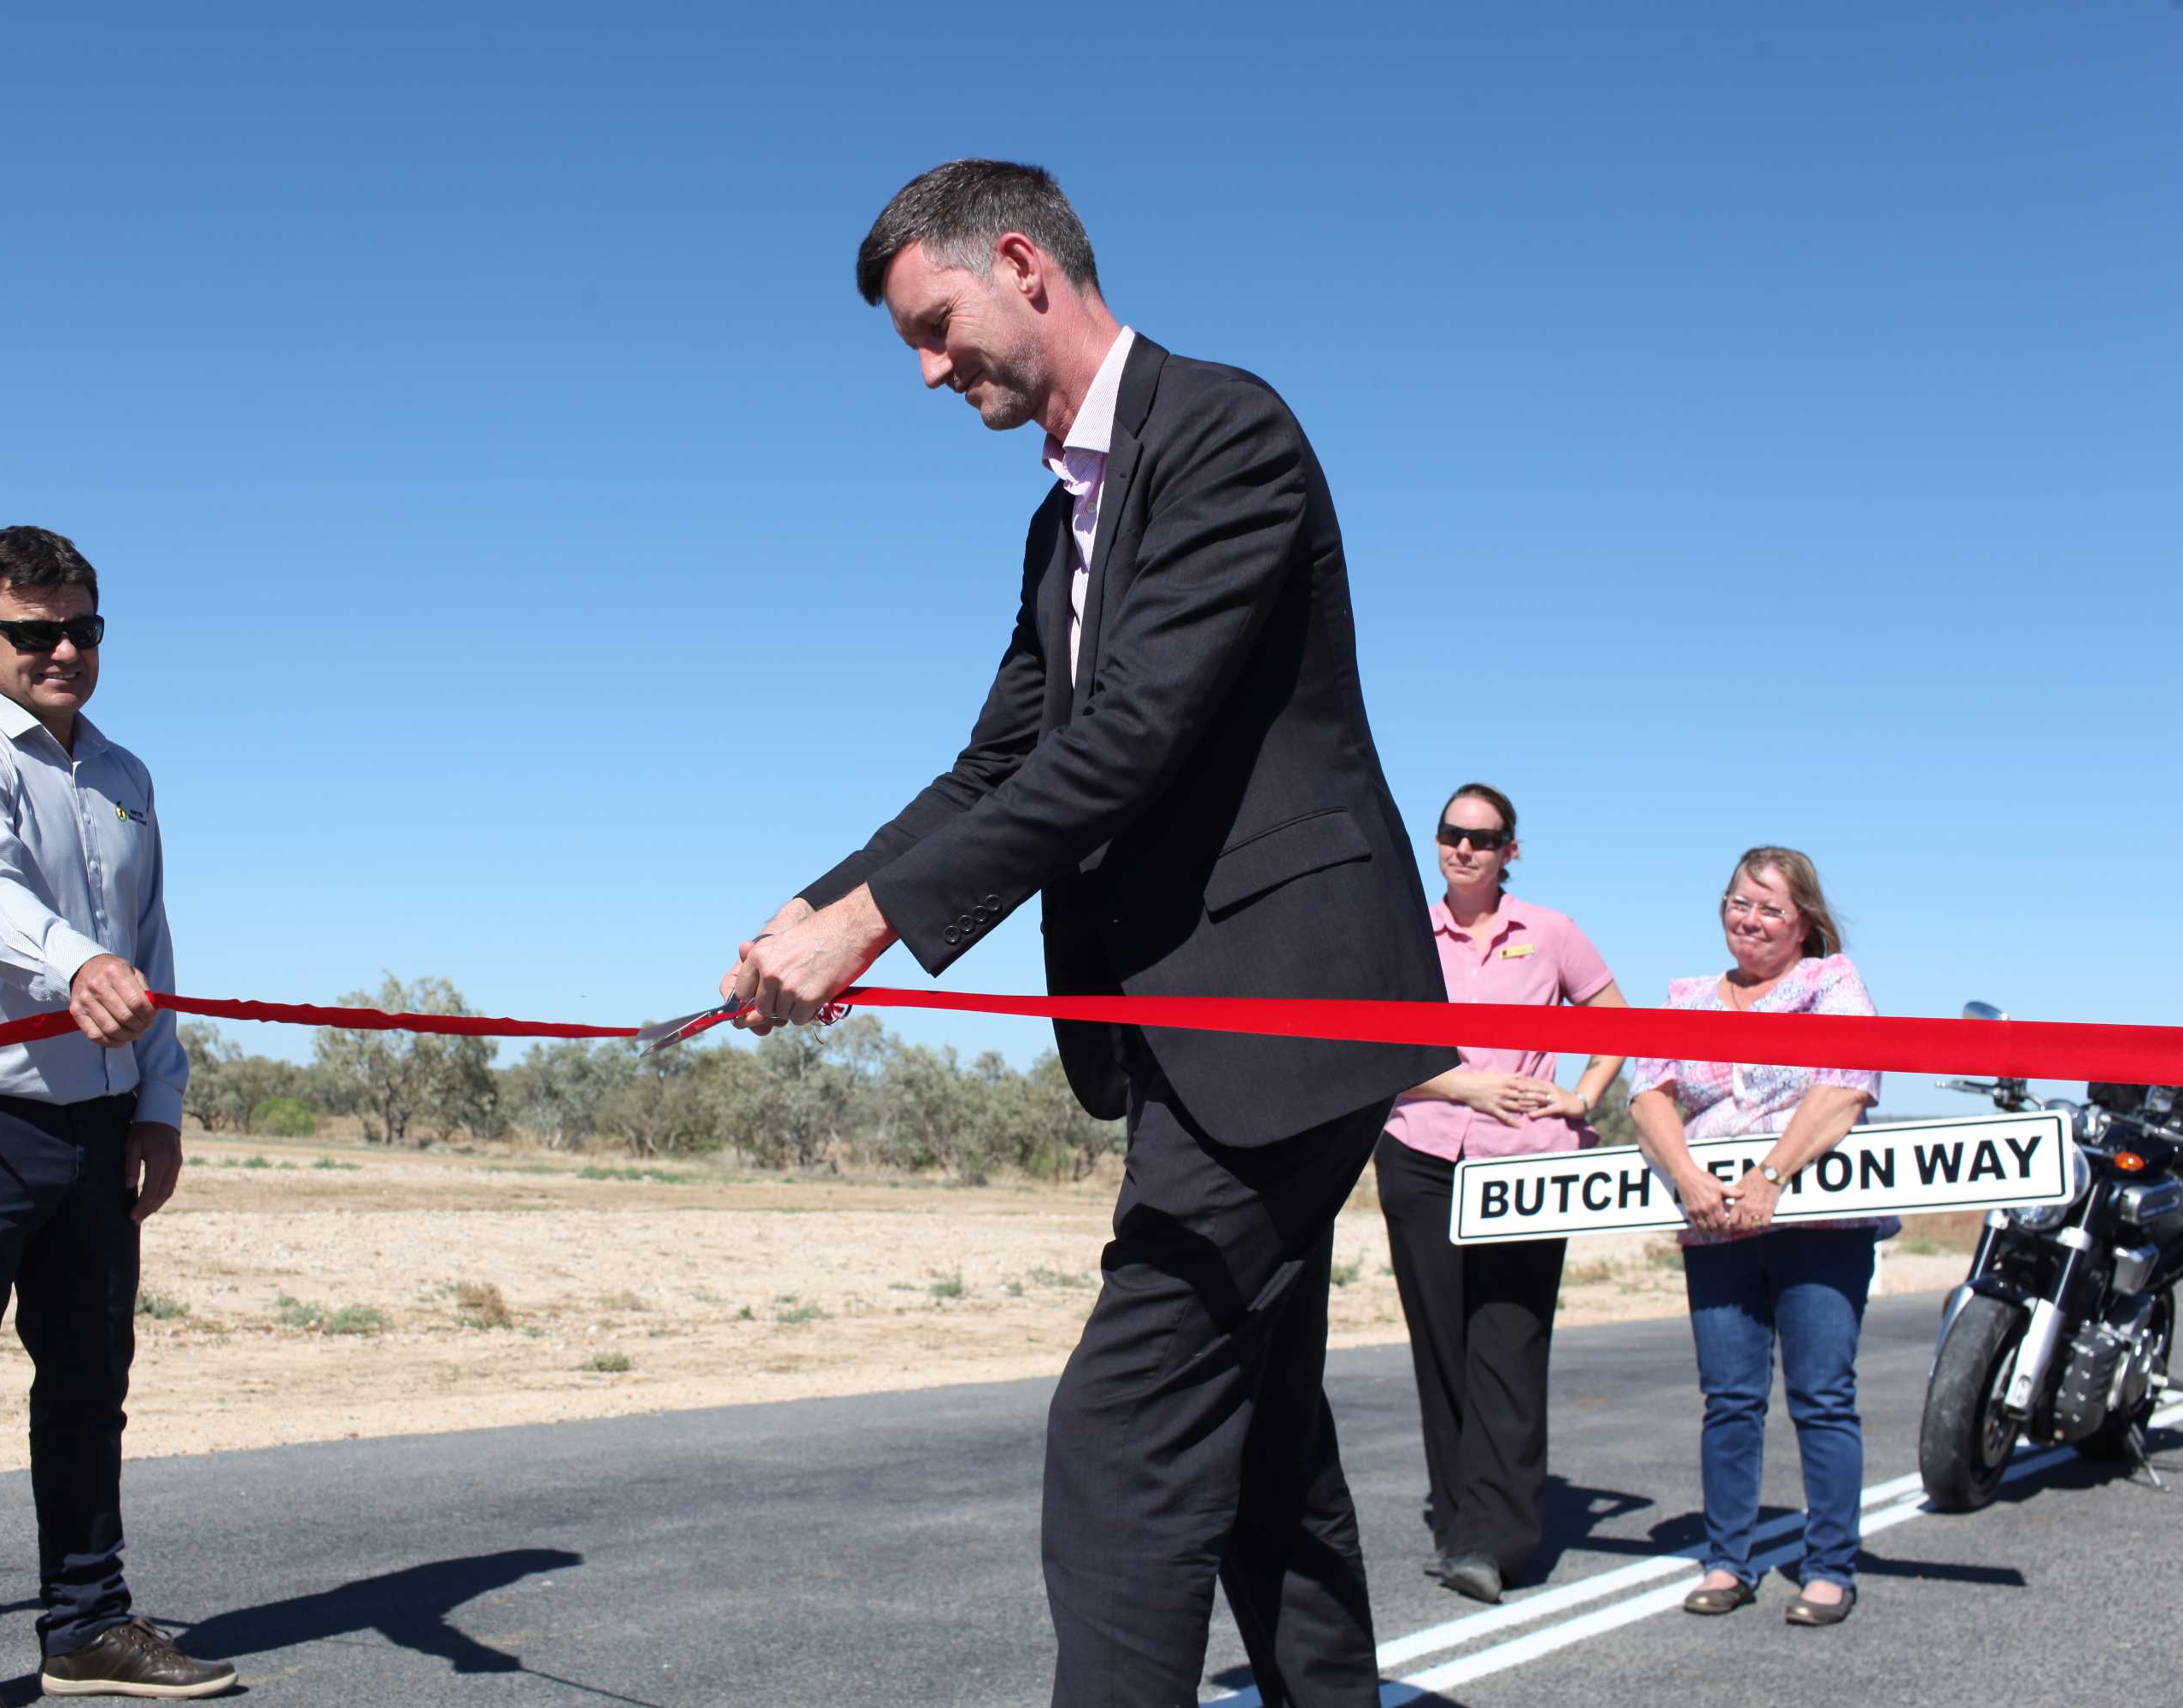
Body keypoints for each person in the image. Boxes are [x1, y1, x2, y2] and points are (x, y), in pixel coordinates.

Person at [718, 161, 1455, 1705]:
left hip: (1288, 1016)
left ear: (1018, 263)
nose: (929, 373)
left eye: (935, 327)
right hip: (1188, 1045)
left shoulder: (1226, 433)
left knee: (1122, 1442)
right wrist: (818, 894)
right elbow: (998, 764)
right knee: (1256, 1435)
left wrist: (869, 927)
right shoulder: (1061, 531)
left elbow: (1129, 739)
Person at [0, 527, 235, 1705]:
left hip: (93, 1133)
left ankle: (85, 1627)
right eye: (34, 633)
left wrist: (159, 1104)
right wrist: (75, 964)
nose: (63, 649)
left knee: (88, 1385)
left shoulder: (125, 777)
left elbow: (151, 952)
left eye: (83, 628)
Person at [1377, 784, 1627, 1604]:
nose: (1465, 850)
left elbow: (1613, 1021)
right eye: (1452, 834)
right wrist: (1464, 1090)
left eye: (1483, 839)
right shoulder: (1405, 931)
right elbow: (1379, 1043)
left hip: (1524, 1170)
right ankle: (1457, 1529)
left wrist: (1583, 1097)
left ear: (1509, 851)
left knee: (1508, 1347)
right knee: (1441, 1346)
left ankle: (1498, 1539)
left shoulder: (1550, 933)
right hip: (1420, 1154)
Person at [1627, 846, 1888, 1628]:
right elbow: (1649, 1097)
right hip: (1714, 1229)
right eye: (1741, 902)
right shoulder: (1684, 996)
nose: (1752, 919)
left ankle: (1830, 1567)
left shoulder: (1830, 982)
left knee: (1821, 1396)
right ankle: (1726, 1561)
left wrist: (1771, 1177)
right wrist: (1694, 1182)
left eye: (1771, 908)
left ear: (1803, 922)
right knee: (1730, 1401)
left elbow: (1845, 1084)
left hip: (1820, 1224)